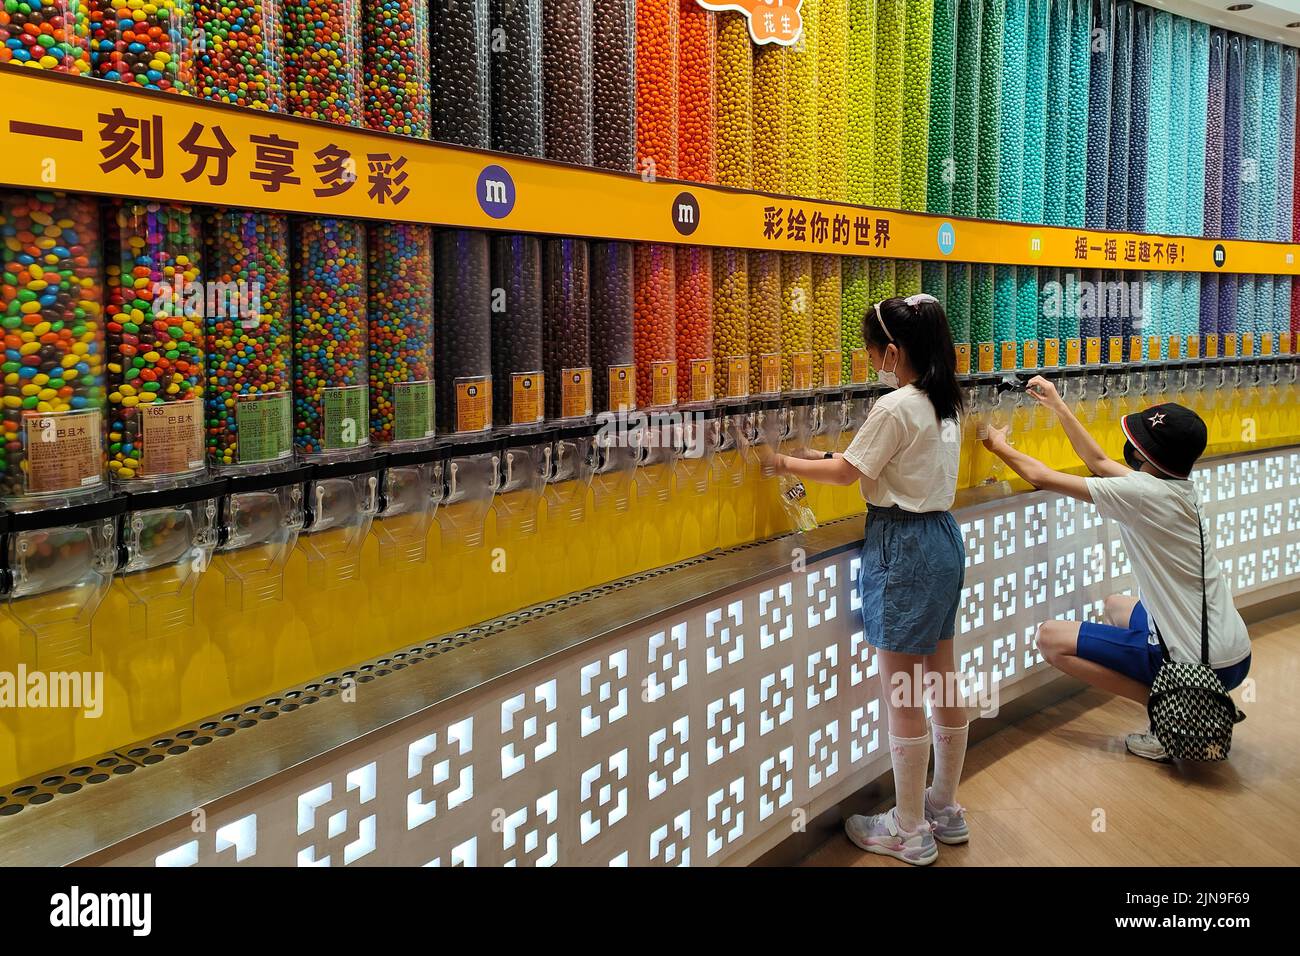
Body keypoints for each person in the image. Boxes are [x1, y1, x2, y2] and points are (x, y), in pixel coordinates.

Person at [770, 294, 970, 865]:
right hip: (942, 540)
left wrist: (782, 463)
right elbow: (887, 458)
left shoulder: (895, 405)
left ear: (891, 351)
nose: (870, 362)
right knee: (942, 678)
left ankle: (907, 830)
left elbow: (847, 473)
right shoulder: (945, 399)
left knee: (901, 691)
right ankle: (944, 808)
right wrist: (818, 451)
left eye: (871, 352)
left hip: (903, 547)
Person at [982, 376, 1251, 762]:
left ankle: (1175, 711)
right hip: (1235, 650)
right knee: (1115, 605)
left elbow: (1041, 477)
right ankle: (1187, 700)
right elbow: (1099, 463)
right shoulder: (1177, 487)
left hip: (1199, 665)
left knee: (1049, 639)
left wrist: (998, 445)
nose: (1132, 447)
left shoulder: (1142, 493)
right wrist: (1057, 405)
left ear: (1149, 455)